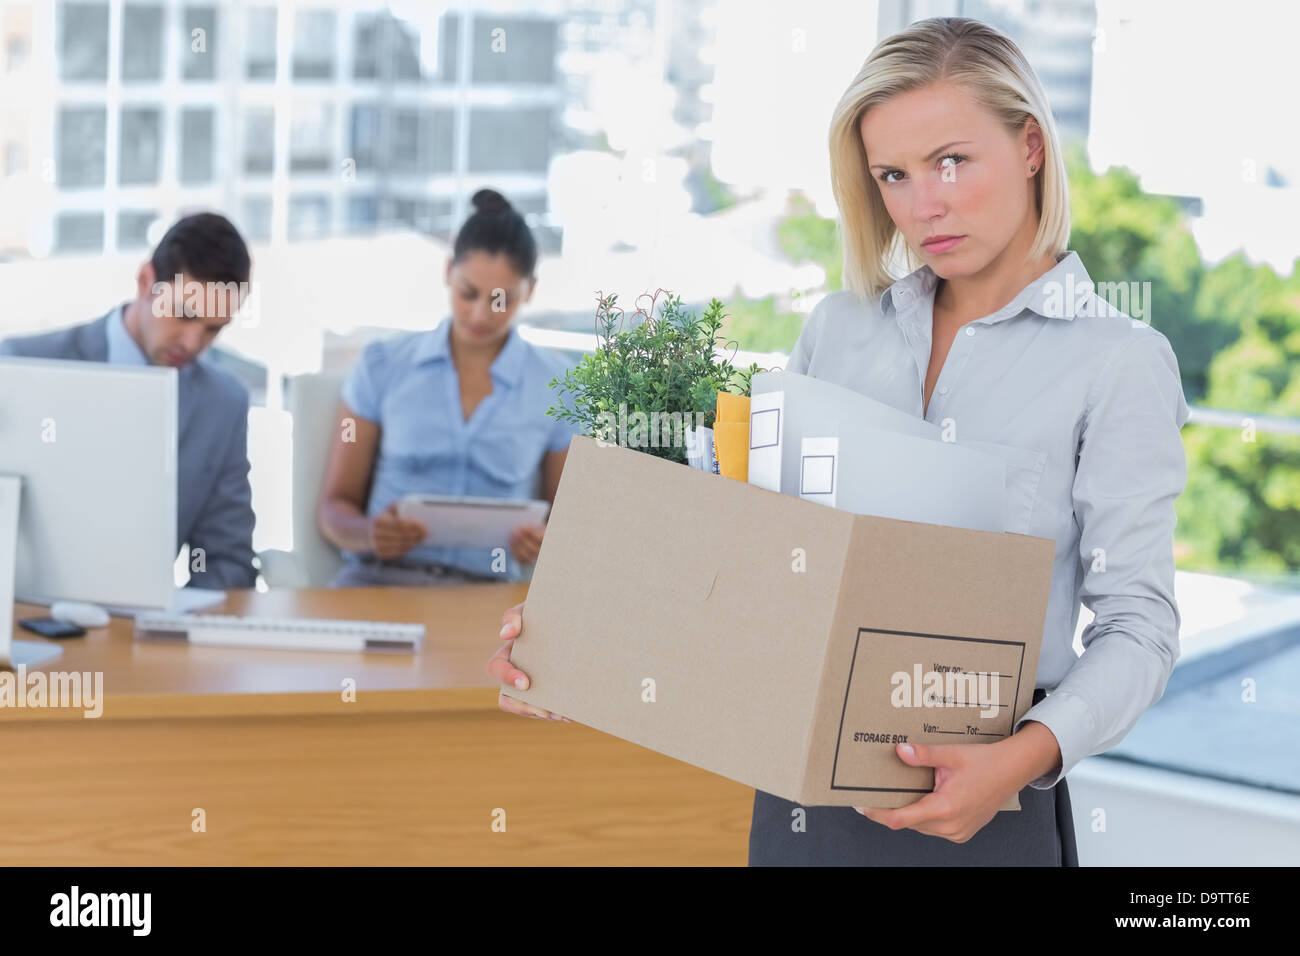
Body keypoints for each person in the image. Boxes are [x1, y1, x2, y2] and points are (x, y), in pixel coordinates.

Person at [487, 17, 1191, 866]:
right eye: (893, 174)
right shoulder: (839, 330)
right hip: (801, 806)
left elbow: (1140, 628)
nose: (922, 203)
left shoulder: (1119, 362)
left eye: (953, 161)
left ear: (1032, 146)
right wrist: (588, 639)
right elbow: (759, 563)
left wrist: (1021, 759)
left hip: (984, 806)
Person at [319, 188, 578, 587]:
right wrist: (370, 534)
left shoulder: (559, 387)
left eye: (500, 300)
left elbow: (566, 521)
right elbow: (334, 507)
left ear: (530, 291)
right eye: (467, 293)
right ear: (447, 273)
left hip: (489, 596)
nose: (479, 315)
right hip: (378, 580)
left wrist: (548, 544)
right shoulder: (382, 366)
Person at [0, 212, 257, 591]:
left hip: (139, 635)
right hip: (24, 626)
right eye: (183, 314)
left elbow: (226, 561)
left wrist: (172, 626)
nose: (192, 343)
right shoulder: (19, 366)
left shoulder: (222, 406)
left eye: (212, 329)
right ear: (145, 281)